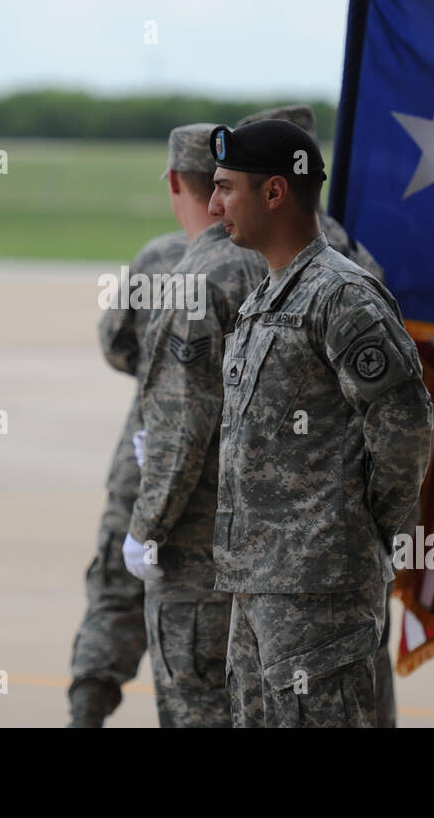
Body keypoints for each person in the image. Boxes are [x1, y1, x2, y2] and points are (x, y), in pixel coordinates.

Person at [207, 119, 433, 727]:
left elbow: (404, 425)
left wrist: (356, 531)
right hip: (258, 586)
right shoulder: (267, 297)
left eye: (227, 187)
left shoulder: (341, 296)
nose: (213, 203)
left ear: (274, 193)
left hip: (320, 595)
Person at [123, 123, 268, 727]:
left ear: (179, 183)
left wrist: (146, 525)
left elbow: (182, 423)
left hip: (198, 551)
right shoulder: (278, 263)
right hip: (273, 553)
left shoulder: (197, 280)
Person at [67, 226, 187, 727]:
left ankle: (85, 714)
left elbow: (116, 343)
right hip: (243, 481)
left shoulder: (163, 256)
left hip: (144, 461)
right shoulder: (326, 252)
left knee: (116, 598)